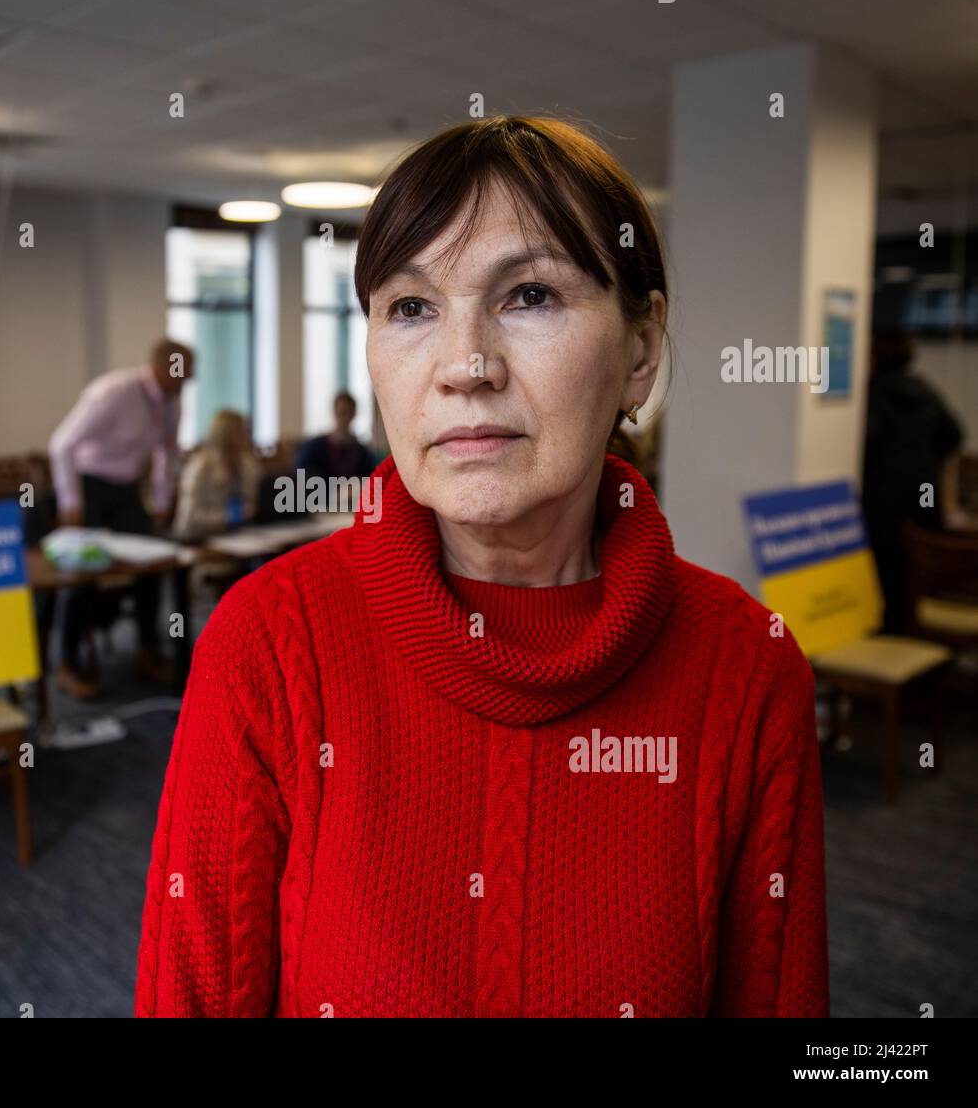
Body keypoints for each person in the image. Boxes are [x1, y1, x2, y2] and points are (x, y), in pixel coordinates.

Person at [135, 116, 829, 1017]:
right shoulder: (269, 642)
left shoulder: (745, 666)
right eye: (412, 308)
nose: (464, 366)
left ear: (641, 351)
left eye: (530, 294)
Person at [48, 338, 195, 697]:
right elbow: (61, 444)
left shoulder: (171, 403)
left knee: (151, 563)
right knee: (83, 575)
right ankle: (68, 663)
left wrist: (162, 500)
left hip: (127, 490)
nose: (189, 380)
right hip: (89, 485)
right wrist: (71, 502)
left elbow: (168, 453)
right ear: (163, 367)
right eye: (184, 372)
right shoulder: (115, 392)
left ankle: (148, 652)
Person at [861, 327, 966, 633]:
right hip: (924, 490)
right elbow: (953, 435)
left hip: (882, 498)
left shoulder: (872, 394)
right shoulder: (925, 390)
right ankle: (911, 626)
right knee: (917, 561)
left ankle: (894, 631)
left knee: (886, 571)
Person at [172, 409, 262, 539]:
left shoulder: (248, 465)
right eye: (242, 432)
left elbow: (252, 502)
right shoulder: (200, 468)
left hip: (234, 536)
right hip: (197, 540)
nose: (247, 437)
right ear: (227, 435)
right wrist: (228, 517)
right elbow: (191, 517)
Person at [294, 391, 376, 483]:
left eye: (349, 412)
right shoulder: (315, 447)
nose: (345, 417)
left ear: (354, 414)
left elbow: (370, 480)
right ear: (335, 412)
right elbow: (301, 474)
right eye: (342, 412)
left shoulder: (362, 453)